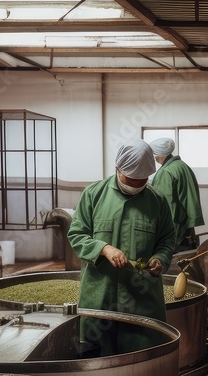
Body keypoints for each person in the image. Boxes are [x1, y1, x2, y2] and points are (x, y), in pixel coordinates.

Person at [68, 139, 177, 355]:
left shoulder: (158, 202)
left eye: (142, 180)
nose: (136, 185)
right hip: (99, 299)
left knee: (142, 362)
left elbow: (167, 240)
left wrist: (160, 260)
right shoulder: (93, 195)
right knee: (96, 362)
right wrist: (103, 248)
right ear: (118, 169)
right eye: (131, 179)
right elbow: (77, 235)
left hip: (141, 302)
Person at [149, 137, 205, 252]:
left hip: (175, 230)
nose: (155, 158)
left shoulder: (166, 172)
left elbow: (168, 207)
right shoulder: (182, 166)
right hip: (186, 228)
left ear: (160, 154)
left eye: (155, 154)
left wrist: (163, 236)